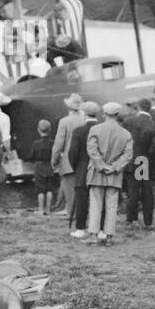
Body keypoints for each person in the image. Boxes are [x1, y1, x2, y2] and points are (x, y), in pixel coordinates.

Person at [86, 102, 133, 244]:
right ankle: (109, 237)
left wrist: (101, 165)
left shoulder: (95, 129)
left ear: (104, 114)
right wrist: (114, 167)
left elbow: (92, 150)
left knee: (95, 204)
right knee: (112, 206)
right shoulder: (125, 133)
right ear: (117, 115)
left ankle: (94, 236)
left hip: (96, 172)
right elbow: (128, 154)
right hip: (114, 174)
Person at [124, 97, 155, 229]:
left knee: (132, 191)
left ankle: (131, 219)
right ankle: (148, 222)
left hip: (132, 160)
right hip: (145, 161)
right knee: (147, 192)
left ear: (138, 108)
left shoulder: (129, 122)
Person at [50, 93, 86, 218]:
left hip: (68, 162)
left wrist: (54, 160)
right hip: (86, 162)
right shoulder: (86, 120)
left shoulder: (64, 121)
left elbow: (59, 143)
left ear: (69, 107)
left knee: (70, 193)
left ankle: (74, 218)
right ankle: (85, 215)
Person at [68, 102, 100, 238]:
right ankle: (98, 229)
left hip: (82, 168)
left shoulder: (78, 131)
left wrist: (76, 167)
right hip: (100, 169)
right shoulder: (102, 129)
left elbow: (72, 153)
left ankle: (81, 228)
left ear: (84, 113)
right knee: (98, 200)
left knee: (81, 199)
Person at [30, 119, 55, 215]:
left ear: (38, 130)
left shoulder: (36, 143)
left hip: (39, 166)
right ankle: (48, 210)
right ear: (50, 130)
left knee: (40, 189)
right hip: (50, 165)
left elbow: (32, 156)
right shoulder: (53, 143)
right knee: (49, 188)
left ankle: (40, 209)